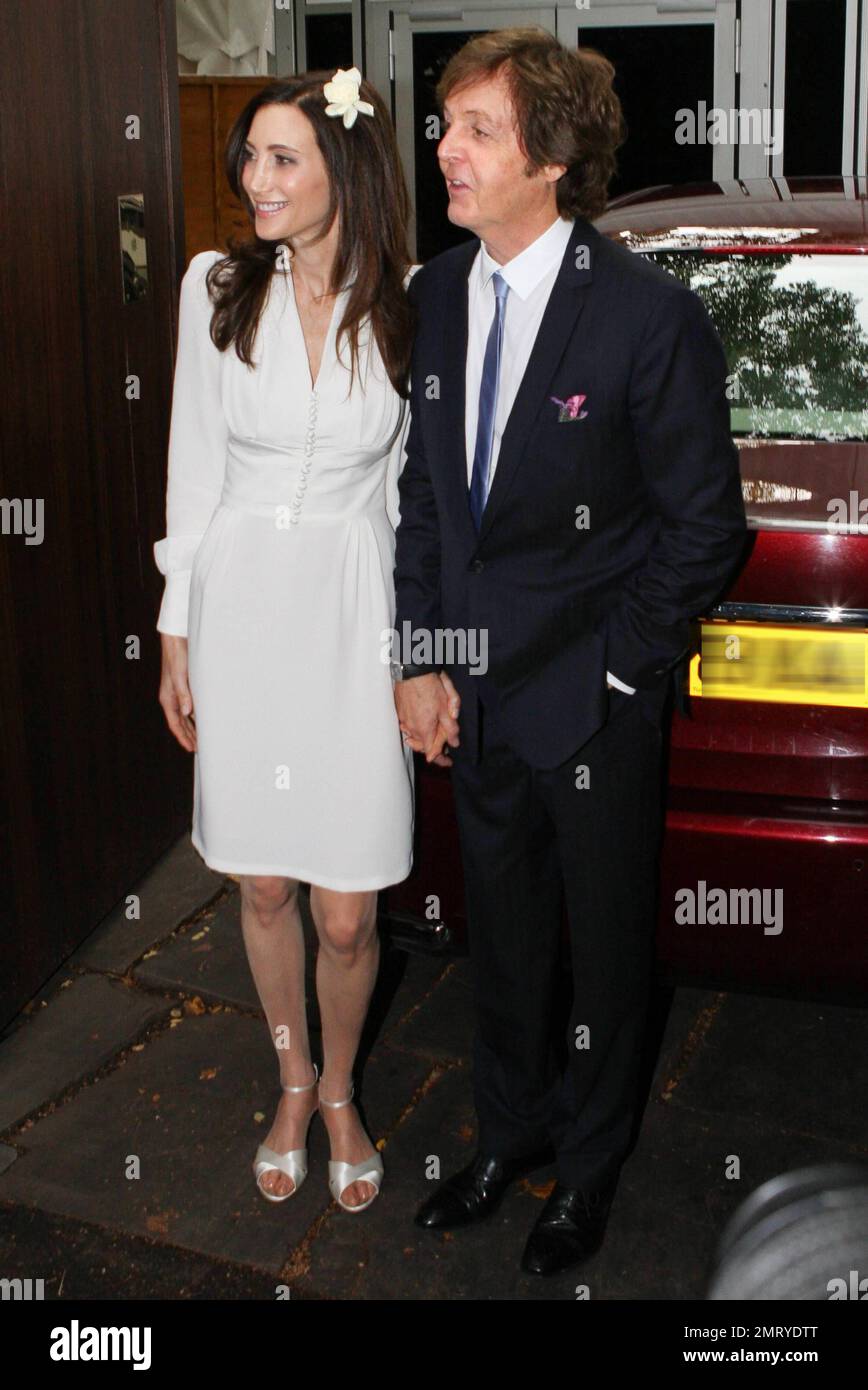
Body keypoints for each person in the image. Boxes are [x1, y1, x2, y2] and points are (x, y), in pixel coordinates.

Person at [393, 28, 747, 1273]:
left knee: (601, 958)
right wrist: (421, 660)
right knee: (502, 941)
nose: (446, 146)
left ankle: (586, 1174)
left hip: (594, 708)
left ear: (549, 157)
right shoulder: (433, 294)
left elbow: (706, 531)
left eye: (475, 128)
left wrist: (608, 676)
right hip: (473, 705)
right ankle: (506, 1134)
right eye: (446, 123)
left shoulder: (646, 317)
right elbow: (430, 505)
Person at [154, 68, 458, 1212]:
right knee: (267, 887)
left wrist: (416, 650)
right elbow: (193, 461)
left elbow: (414, 495)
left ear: (348, 170)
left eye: (285, 158)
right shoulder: (214, 286)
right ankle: (292, 1081)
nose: (256, 181)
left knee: (346, 905)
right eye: (251, 158)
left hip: (351, 608)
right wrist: (176, 622)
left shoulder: (413, 301)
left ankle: (342, 1086)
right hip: (241, 603)